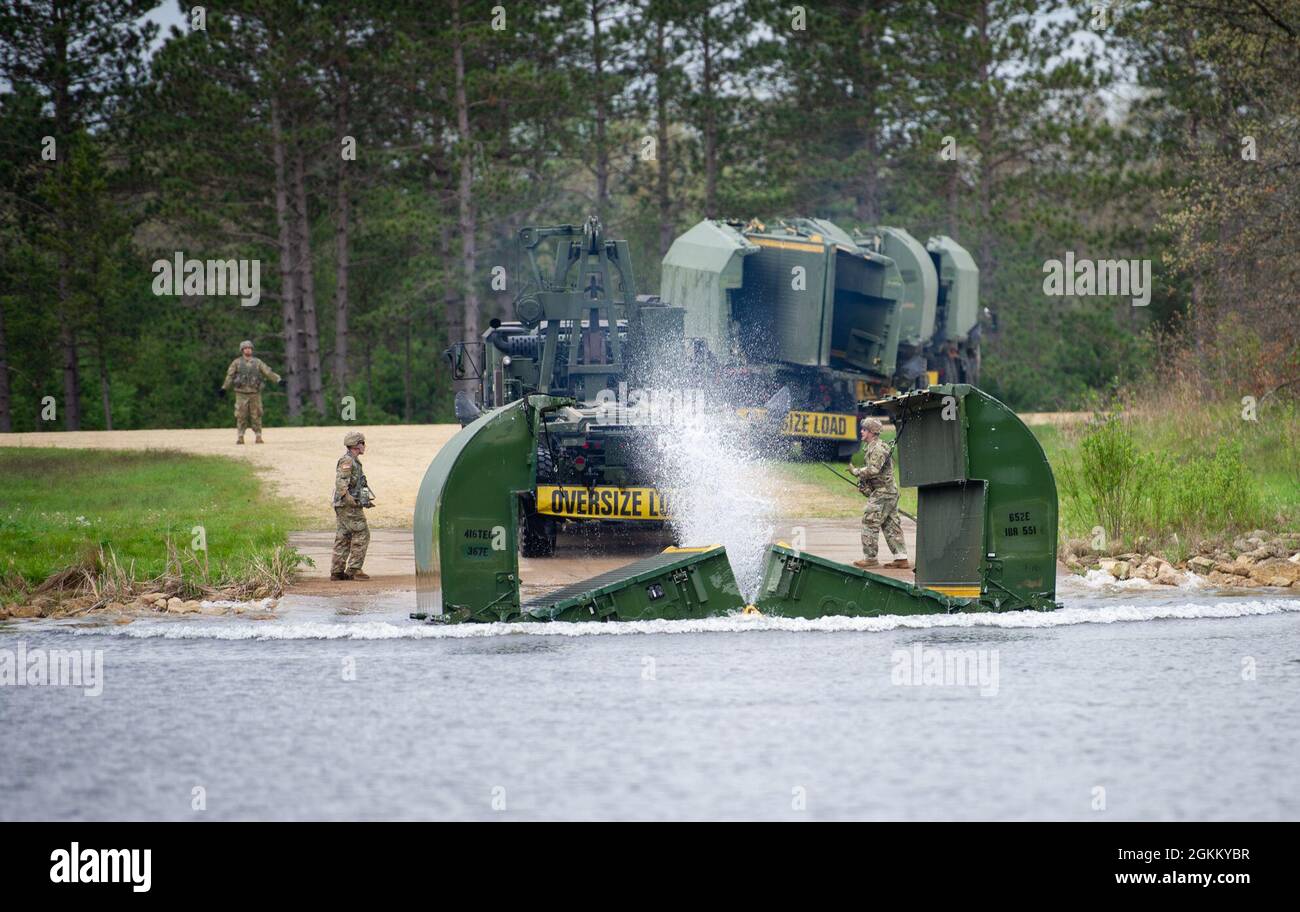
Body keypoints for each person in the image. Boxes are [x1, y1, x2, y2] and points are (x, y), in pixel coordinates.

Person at [850, 417, 909, 570]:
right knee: (891, 524)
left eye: (864, 429)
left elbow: (873, 470)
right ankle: (901, 558)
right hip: (887, 491)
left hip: (884, 492)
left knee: (870, 521)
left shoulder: (877, 448)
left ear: (871, 432)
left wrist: (857, 472)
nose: (861, 432)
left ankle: (870, 558)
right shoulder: (873, 447)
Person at [220, 340, 281, 444]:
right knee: (241, 415)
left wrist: (278, 380)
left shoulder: (257, 362)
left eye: (249, 348)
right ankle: (240, 436)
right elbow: (230, 376)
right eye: (245, 348)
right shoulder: (237, 363)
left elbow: (267, 372)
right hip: (241, 393)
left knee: (256, 414)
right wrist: (224, 388)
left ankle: (258, 435)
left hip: (254, 393)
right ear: (242, 350)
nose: (248, 349)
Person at [331, 431, 372, 581]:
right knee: (362, 534)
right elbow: (341, 483)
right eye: (362, 443)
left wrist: (365, 500)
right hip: (348, 505)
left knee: (343, 535)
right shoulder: (347, 461)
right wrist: (350, 501)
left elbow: (358, 484)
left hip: (345, 505)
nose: (364, 446)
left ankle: (337, 571)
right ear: (356, 445)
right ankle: (354, 569)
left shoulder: (353, 461)